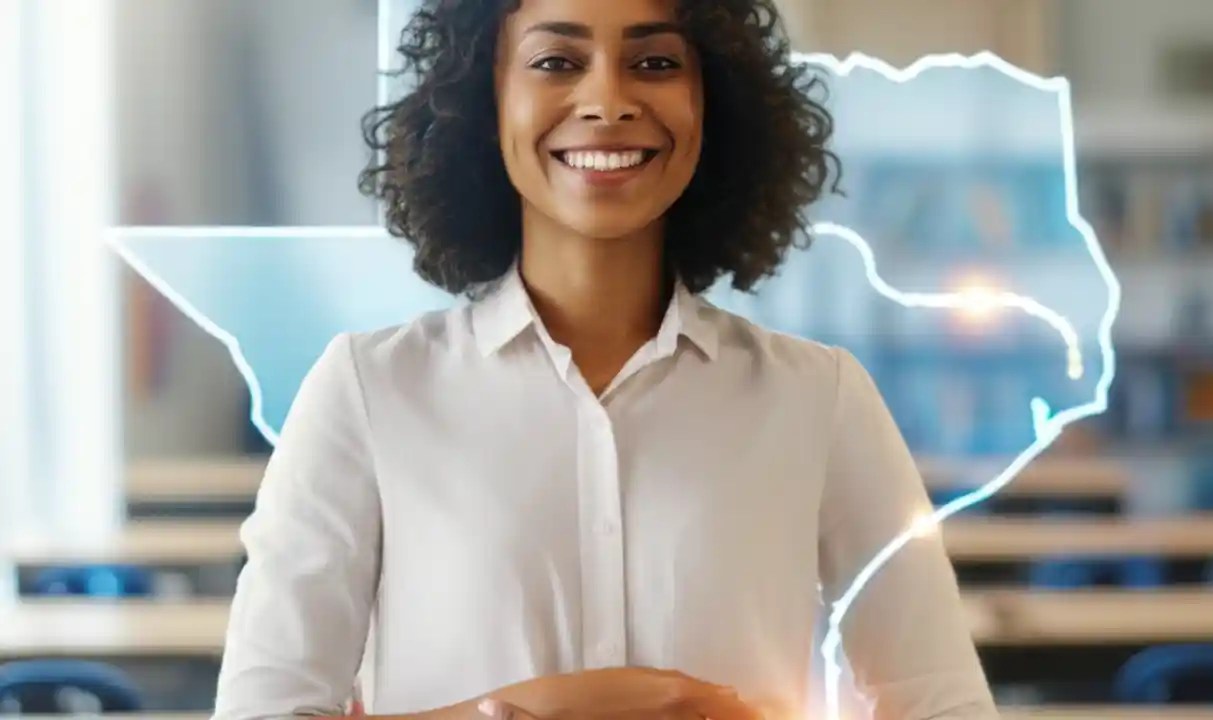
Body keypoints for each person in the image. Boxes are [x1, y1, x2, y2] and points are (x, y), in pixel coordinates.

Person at [213, 0, 998, 718]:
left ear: (712, 103)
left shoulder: (818, 399)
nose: (608, 101)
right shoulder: (367, 391)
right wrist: (528, 712)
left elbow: (943, 705)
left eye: (655, 62)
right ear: (486, 101)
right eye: (557, 61)